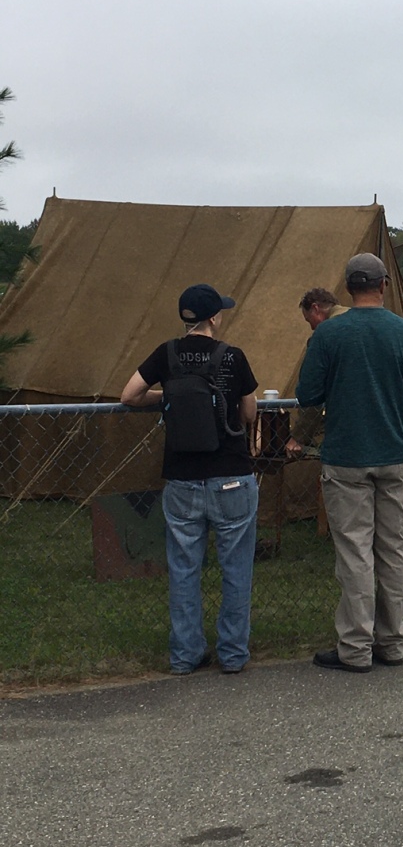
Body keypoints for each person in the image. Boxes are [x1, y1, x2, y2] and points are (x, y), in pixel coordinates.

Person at [296, 253, 403, 672]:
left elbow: (307, 395)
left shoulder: (327, 334)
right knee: (396, 549)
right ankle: (391, 642)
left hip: (345, 459)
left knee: (355, 552)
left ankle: (355, 648)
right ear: (383, 286)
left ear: (348, 287)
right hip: (396, 456)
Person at [120, 283, 259, 675]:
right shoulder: (232, 357)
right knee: (236, 568)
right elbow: (248, 414)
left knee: (184, 570)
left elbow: (129, 395)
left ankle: (185, 654)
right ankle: (232, 654)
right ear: (214, 317)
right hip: (231, 475)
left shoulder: (166, 354)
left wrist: (163, 398)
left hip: (181, 479)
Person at [285, 288, 346, 460]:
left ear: (316, 308)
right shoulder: (368, 324)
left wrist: (299, 437)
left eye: (308, 320)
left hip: (344, 439)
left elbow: (312, 392)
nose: (311, 327)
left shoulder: (323, 335)